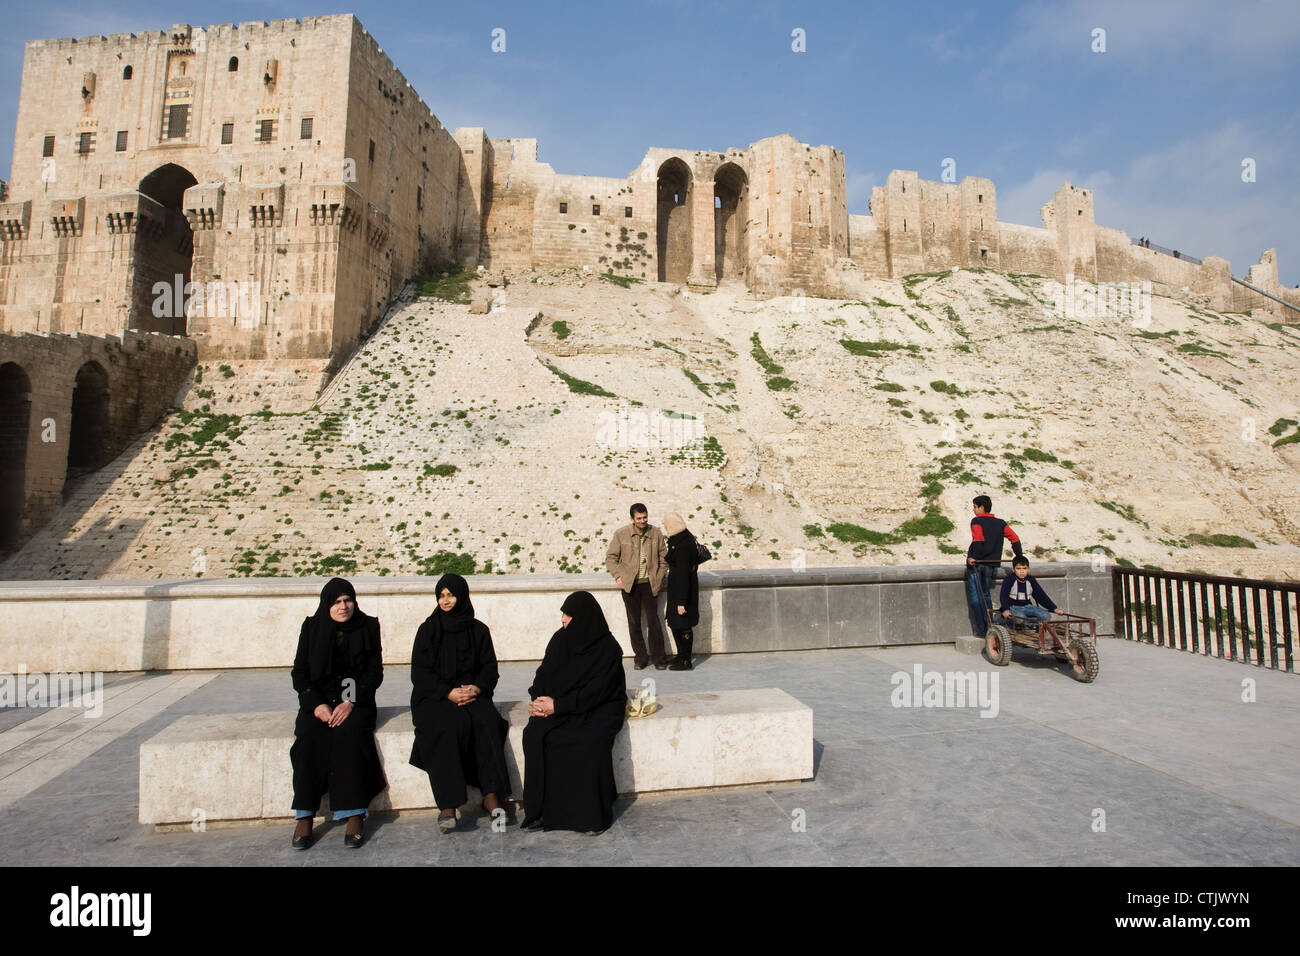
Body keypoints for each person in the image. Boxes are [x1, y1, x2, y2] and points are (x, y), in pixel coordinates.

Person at [409, 573, 513, 834]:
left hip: (471, 693)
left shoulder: (478, 630)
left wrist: (477, 687)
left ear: (462, 596)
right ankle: (448, 804)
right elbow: (420, 674)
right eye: (441, 596)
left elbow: (490, 668)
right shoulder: (428, 630)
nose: (445, 600)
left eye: (451, 595)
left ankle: (491, 795)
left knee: (487, 722)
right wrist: (448, 693)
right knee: (445, 725)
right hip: (436, 696)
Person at [290, 577, 387, 849]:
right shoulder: (312, 628)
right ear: (327, 604)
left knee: (350, 736)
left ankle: (354, 812)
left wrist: (349, 700)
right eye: (336, 602)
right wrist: (318, 705)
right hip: (319, 701)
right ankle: (305, 814)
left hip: (355, 701)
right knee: (309, 738)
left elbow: (373, 671)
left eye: (347, 600)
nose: (343, 607)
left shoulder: (368, 626)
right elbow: (300, 672)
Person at [520, 591, 627, 834]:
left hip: (600, 707)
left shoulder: (608, 649)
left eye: (569, 615)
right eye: (564, 614)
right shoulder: (560, 640)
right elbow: (543, 673)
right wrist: (539, 700)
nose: (564, 619)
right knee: (535, 734)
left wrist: (557, 706)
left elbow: (597, 691)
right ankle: (541, 812)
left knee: (587, 741)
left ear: (584, 617)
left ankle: (589, 816)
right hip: (561, 705)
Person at [605, 502, 669, 670]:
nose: (642, 520)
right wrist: (618, 576)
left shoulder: (655, 533)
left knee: (653, 622)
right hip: (630, 585)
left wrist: (660, 575)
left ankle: (659, 659)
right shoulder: (621, 534)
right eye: (639, 518)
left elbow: (664, 557)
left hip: (650, 584)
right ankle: (640, 658)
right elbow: (611, 558)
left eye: (645, 517)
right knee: (634, 623)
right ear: (632, 519)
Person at [965, 495, 1024, 640]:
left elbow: (978, 540)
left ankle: (982, 629)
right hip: (992, 564)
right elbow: (1015, 538)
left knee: (976, 598)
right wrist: (1019, 556)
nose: (973, 509)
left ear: (981, 507)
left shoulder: (976, 521)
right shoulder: (1000, 523)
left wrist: (974, 558)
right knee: (986, 595)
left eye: (974, 506)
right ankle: (992, 626)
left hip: (977, 565)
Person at [662, 511, 700, 670]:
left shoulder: (683, 544)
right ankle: (681, 656)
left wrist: (681, 602)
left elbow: (684, 574)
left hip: (682, 591)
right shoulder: (680, 539)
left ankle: (686, 660)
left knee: (683, 624)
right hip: (677, 589)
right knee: (675, 623)